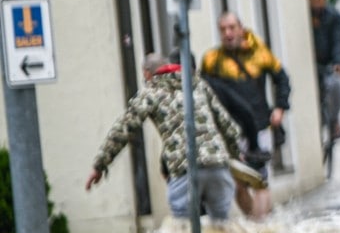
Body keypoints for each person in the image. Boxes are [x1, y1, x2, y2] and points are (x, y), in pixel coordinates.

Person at [86, 51, 247, 223]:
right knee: (222, 227)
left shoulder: (151, 92)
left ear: (147, 73)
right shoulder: (197, 83)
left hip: (185, 170)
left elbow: (123, 129)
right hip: (217, 166)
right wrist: (237, 154)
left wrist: (99, 165)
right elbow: (226, 124)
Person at [202, 12, 291, 173]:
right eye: (222, 30)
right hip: (231, 130)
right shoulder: (211, 60)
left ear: (241, 29)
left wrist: (280, 108)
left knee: (260, 179)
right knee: (238, 184)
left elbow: (282, 79)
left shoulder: (259, 53)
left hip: (260, 126)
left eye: (231, 28)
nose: (227, 33)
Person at [308, 0, 340, 164]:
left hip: (328, 63)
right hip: (310, 65)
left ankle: (334, 121)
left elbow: (339, 41)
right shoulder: (304, 16)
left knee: (334, 84)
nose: (316, 2)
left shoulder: (333, 17)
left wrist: (339, 63)